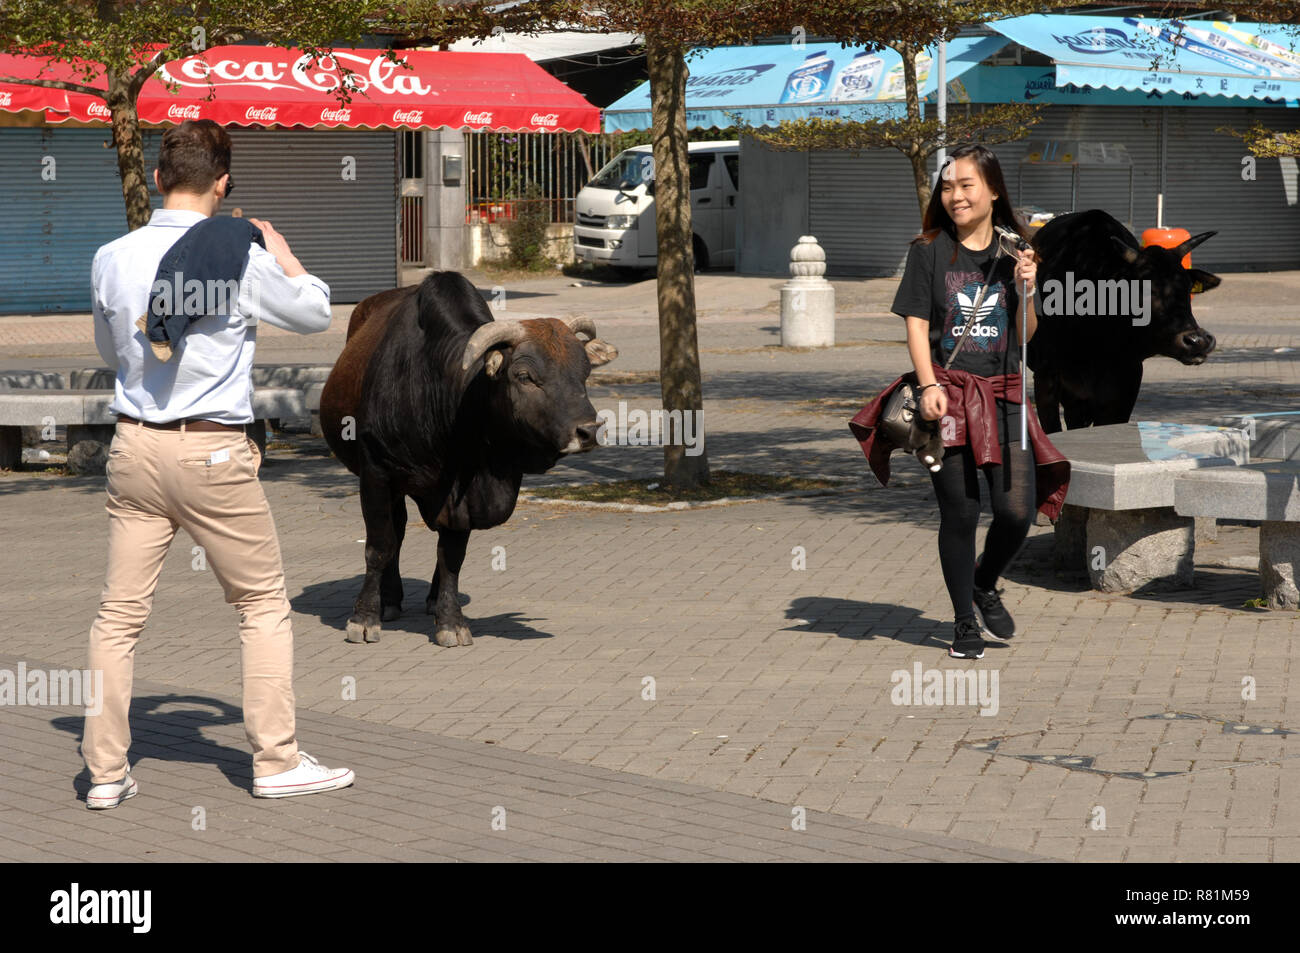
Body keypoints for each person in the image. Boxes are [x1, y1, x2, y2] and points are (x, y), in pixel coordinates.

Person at [83, 119, 354, 807]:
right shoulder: (242, 255)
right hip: (213, 452)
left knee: (118, 617)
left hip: (135, 446)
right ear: (224, 182)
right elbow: (318, 311)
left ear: (157, 178)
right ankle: (275, 761)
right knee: (261, 604)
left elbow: (114, 356)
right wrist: (286, 255)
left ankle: (106, 774)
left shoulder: (111, 257)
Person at [891, 143, 1044, 660]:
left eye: (965, 185)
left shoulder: (1015, 251)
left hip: (1004, 395)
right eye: (948, 186)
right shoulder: (928, 249)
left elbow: (1027, 336)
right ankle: (963, 622)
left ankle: (985, 582)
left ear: (993, 189)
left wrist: (1028, 290)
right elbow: (915, 326)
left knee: (1017, 510)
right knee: (960, 513)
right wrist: (928, 384)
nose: (954, 195)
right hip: (950, 395)